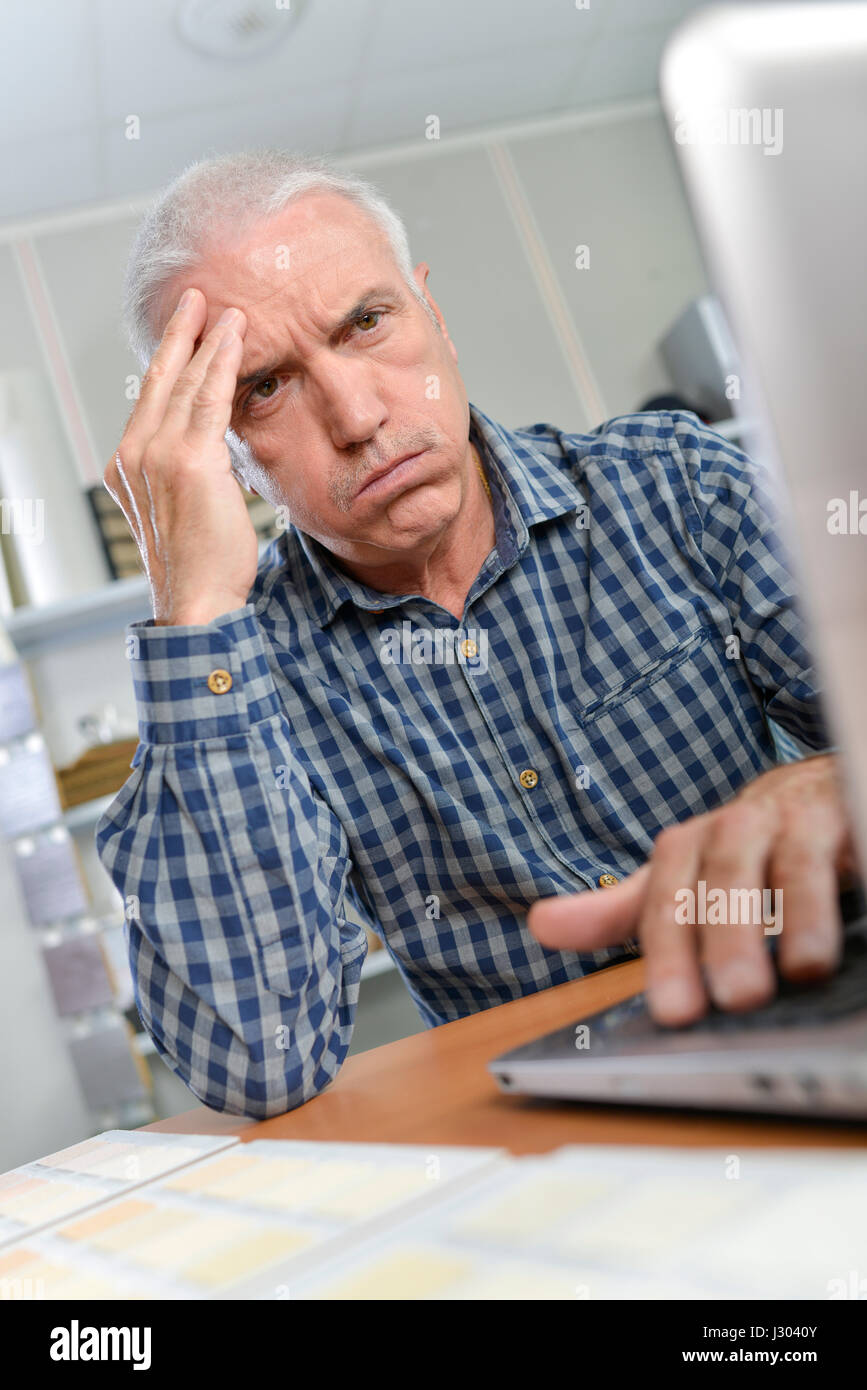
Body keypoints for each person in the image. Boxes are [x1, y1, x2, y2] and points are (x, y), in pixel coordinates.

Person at [97, 149, 859, 1118]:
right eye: (265, 387)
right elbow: (260, 1060)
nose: (359, 415)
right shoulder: (247, 676)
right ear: (221, 452)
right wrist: (194, 617)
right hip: (551, 1150)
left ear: (433, 313)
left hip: (817, 1035)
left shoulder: (677, 485)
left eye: (367, 323)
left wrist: (837, 777)